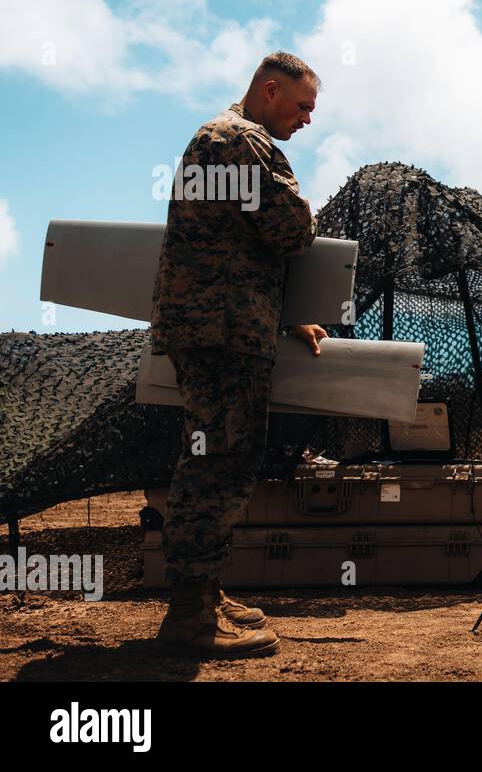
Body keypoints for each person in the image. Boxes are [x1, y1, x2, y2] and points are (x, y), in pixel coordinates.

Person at [149, 51, 328, 658]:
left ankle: (202, 594)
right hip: (223, 334)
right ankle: (190, 617)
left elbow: (232, 247)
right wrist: (305, 211)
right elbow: (289, 230)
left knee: (216, 455)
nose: (307, 119)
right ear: (270, 90)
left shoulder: (219, 138)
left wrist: (284, 317)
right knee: (220, 463)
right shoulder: (239, 141)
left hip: (219, 327)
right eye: (302, 106)